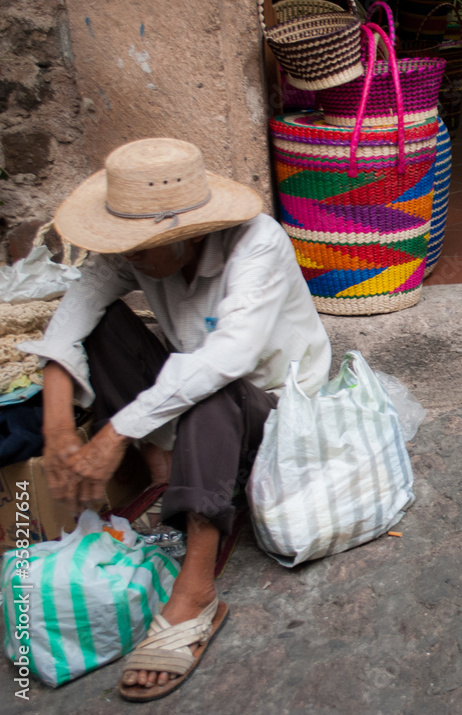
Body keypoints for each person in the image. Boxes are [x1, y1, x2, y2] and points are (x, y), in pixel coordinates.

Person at [20, 137, 333, 702]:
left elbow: (229, 358)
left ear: (185, 235)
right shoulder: (133, 252)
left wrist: (115, 432)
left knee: (212, 387)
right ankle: (170, 470)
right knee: (106, 326)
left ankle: (197, 590)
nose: (126, 257)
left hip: (271, 413)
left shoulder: (257, 244)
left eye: (141, 249)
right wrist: (58, 422)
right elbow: (74, 315)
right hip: (196, 400)